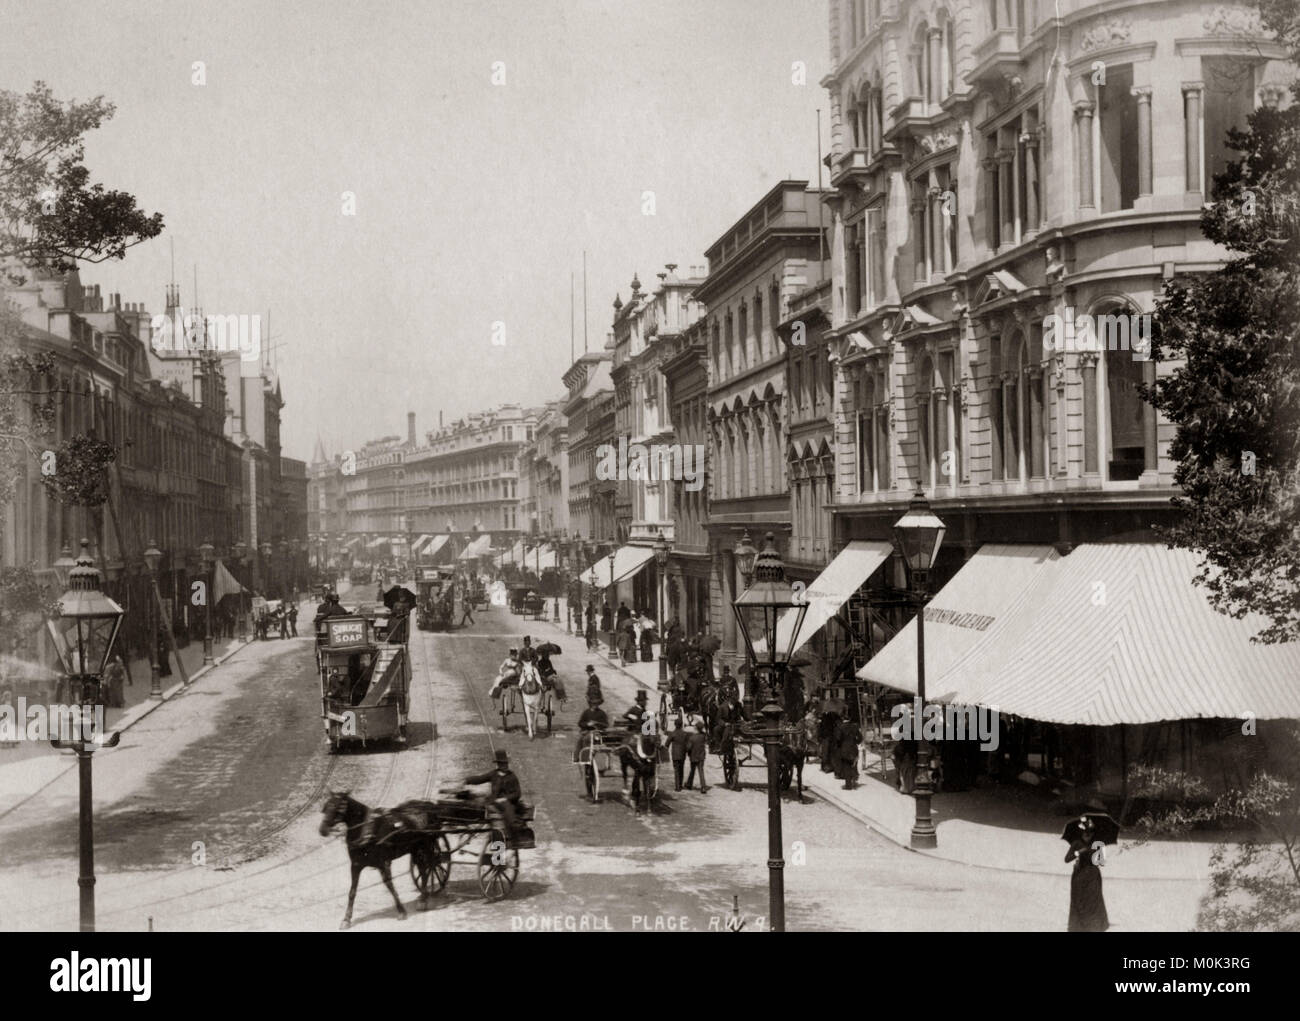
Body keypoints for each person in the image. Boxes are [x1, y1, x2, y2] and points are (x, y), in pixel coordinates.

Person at [464, 749, 524, 839]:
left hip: (508, 802)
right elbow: (480, 778)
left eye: (505, 763)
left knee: (507, 808)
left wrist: (506, 798)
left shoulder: (512, 776)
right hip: (494, 801)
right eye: (502, 764)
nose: (504, 766)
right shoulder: (494, 774)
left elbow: (517, 793)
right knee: (475, 802)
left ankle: (516, 829)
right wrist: (467, 780)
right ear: (498, 764)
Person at [1066, 818, 1110, 931]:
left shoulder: (1097, 844)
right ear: (1082, 833)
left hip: (1093, 875)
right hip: (1079, 875)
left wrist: (1100, 852)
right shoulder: (1077, 843)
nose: (1088, 835)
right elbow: (1067, 859)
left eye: (1090, 833)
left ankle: (1094, 926)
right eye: (1085, 833)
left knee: (1093, 900)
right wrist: (1078, 853)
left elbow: (1102, 862)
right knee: (1079, 900)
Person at [572, 693, 609, 763]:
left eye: (597, 704)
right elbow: (580, 723)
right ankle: (579, 757)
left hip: (598, 733)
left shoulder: (602, 713)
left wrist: (597, 723)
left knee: (588, 739)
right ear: (590, 704)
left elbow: (606, 725)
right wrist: (587, 724)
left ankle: (588, 758)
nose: (595, 705)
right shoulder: (586, 712)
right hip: (587, 731)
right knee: (580, 739)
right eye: (593, 703)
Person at [835, 715, 862, 790]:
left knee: (846, 766)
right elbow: (860, 738)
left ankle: (848, 785)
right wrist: (856, 742)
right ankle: (854, 780)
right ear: (849, 719)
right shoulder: (854, 727)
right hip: (853, 748)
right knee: (854, 764)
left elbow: (838, 739)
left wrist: (839, 746)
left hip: (844, 749)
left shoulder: (840, 727)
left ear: (842, 719)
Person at [684, 712, 709, 793]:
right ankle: (703, 787)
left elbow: (688, 747)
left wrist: (686, 751)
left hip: (693, 757)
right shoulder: (703, 737)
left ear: (696, 729)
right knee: (701, 772)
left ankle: (689, 784)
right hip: (701, 757)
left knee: (692, 771)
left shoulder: (692, 738)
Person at [519, 661, 544, 740]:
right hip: (525, 676)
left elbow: (537, 677)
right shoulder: (523, 668)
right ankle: (530, 729)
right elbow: (522, 677)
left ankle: (534, 726)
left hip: (533, 675)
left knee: (537, 680)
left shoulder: (534, 669)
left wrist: (540, 683)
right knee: (522, 682)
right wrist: (520, 684)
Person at [664, 714, 688, 791]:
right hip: (683, 754)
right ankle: (680, 785)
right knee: (681, 770)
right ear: (681, 725)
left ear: (675, 725)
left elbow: (667, 744)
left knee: (676, 770)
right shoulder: (685, 734)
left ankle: (677, 787)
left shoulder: (672, 733)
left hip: (675, 755)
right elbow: (687, 744)